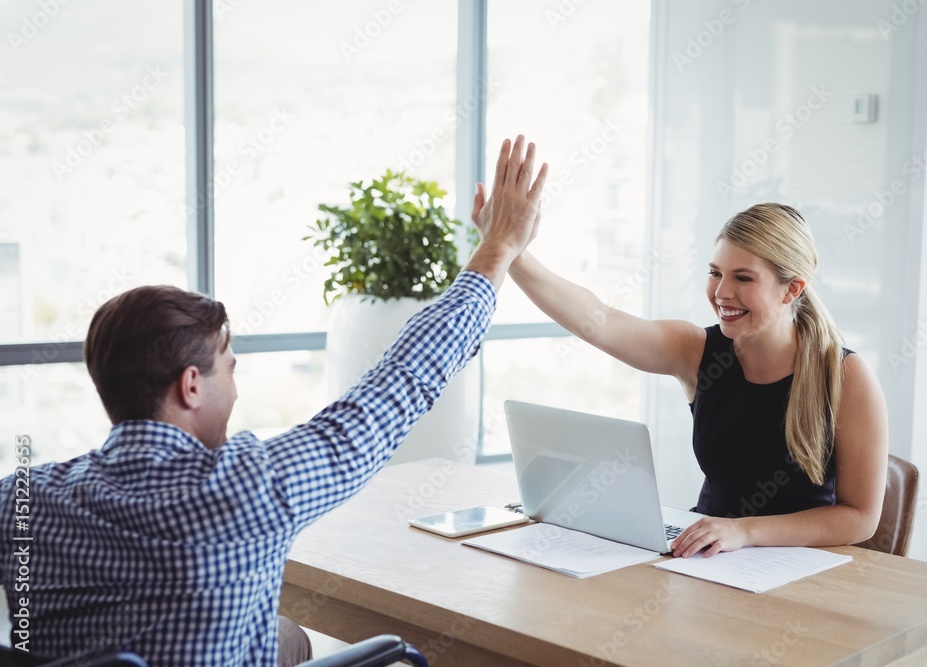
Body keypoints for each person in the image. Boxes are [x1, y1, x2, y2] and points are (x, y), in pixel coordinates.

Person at [0, 136, 548, 665]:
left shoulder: (21, 500)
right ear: (190, 386)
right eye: (229, 369)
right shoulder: (249, 487)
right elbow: (400, 383)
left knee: (287, 635)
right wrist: (497, 248)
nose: (235, 388)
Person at [470, 199, 888, 558]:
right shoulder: (697, 351)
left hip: (797, 570)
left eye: (743, 278)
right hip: (707, 556)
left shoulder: (846, 376)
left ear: (791, 289)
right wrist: (508, 249)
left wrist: (744, 532)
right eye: (715, 272)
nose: (722, 292)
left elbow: (860, 517)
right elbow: (600, 322)